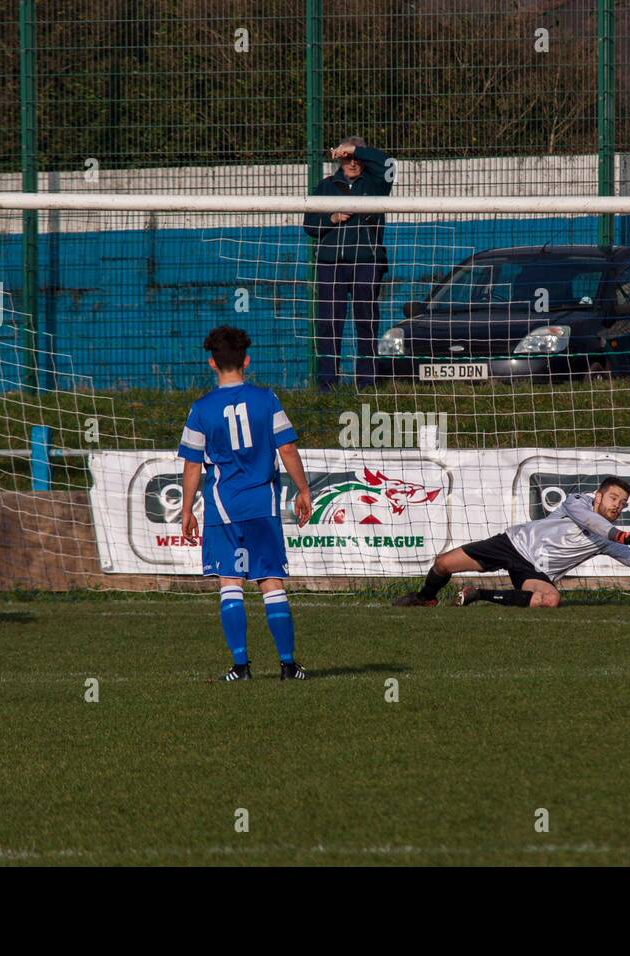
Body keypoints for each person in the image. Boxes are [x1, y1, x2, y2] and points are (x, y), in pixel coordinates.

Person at [178, 326, 315, 681]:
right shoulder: (266, 399)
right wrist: (303, 490)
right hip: (261, 505)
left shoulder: (201, 409)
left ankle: (240, 667)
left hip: (222, 508)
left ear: (211, 363)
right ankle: (287, 664)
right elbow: (286, 448)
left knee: (230, 583)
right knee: (270, 581)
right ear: (247, 361)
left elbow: (193, 464)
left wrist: (187, 509)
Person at [392, 476, 630, 609]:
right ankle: (425, 598)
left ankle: (477, 594)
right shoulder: (577, 502)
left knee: (549, 600)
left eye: (622, 504)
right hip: (511, 544)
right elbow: (592, 523)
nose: (617, 506)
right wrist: (620, 535)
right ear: (598, 495)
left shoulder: (607, 537)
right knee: (443, 563)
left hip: (536, 573)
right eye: (613, 498)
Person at [303, 136, 394, 391]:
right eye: (347, 158)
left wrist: (357, 149)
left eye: (357, 158)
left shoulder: (376, 185)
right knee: (329, 324)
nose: (353, 163)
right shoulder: (324, 187)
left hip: (367, 263)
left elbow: (387, 163)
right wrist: (331, 219)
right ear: (339, 160)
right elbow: (308, 225)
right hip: (331, 265)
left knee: (366, 323)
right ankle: (327, 385)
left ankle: (366, 384)